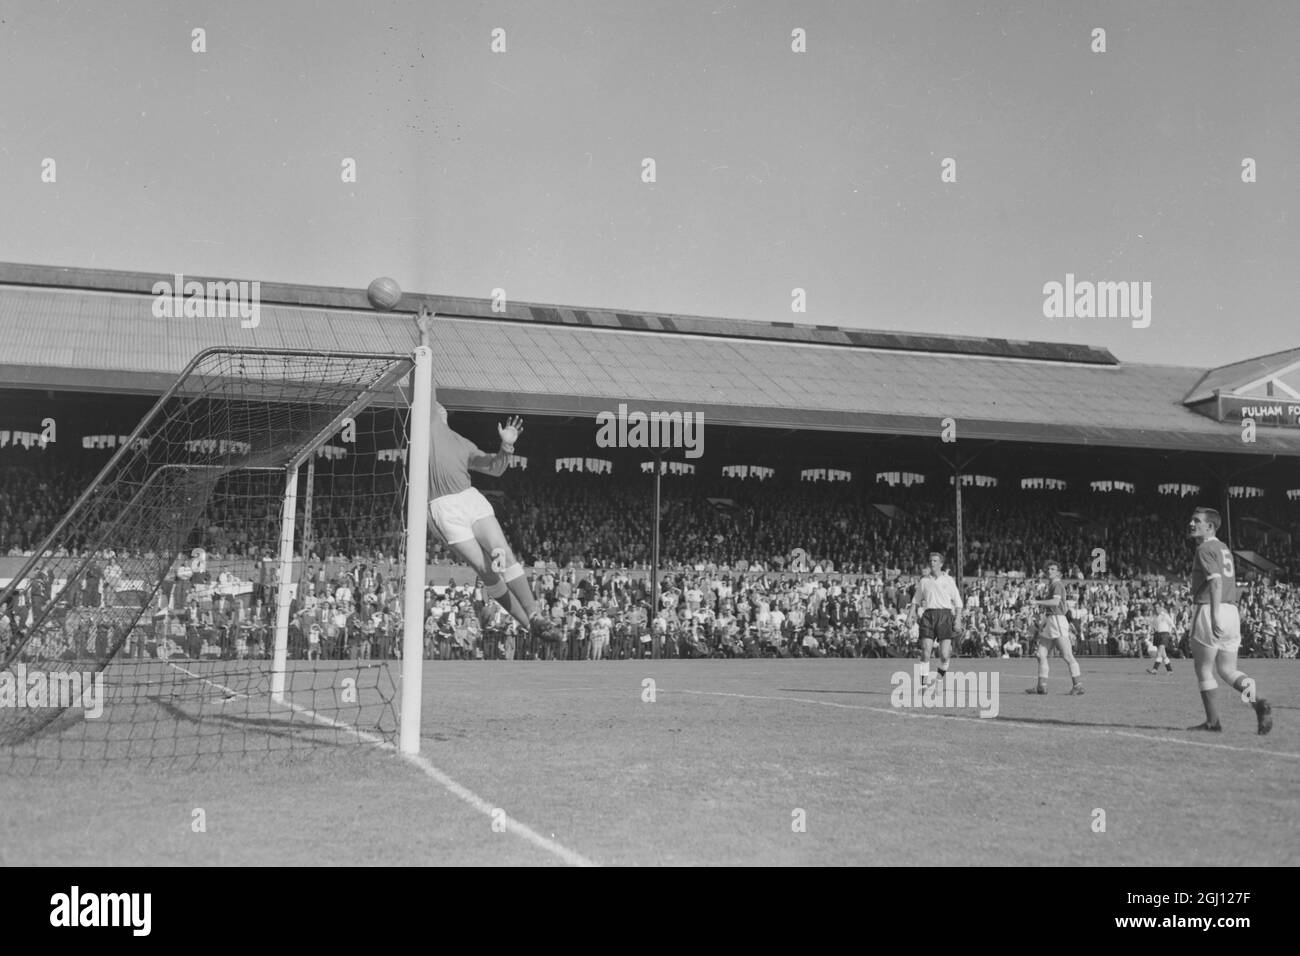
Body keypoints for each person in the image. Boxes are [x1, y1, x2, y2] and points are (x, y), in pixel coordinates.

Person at [418, 323, 563, 647]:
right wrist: (424, 336)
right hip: (443, 508)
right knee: (487, 571)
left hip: (468, 500)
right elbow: (425, 376)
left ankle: (535, 615)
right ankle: (529, 625)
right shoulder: (425, 420)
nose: (433, 405)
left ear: (443, 414)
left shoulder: (459, 440)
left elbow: (495, 469)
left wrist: (506, 447)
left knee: (501, 555)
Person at [1184, 508, 1271, 734]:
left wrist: (1213, 614)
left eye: (1197, 521)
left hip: (1209, 608)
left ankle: (1213, 722)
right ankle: (1258, 702)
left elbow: (1215, 583)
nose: (1191, 524)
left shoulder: (1204, 548)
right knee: (1228, 670)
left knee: (1204, 669)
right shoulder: (1224, 548)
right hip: (1232, 611)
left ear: (1210, 526)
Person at [906, 551, 963, 689]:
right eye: (931, 561)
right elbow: (916, 600)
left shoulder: (949, 580)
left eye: (935, 561)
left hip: (945, 616)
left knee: (944, 655)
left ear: (941, 564)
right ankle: (923, 686)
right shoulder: (924, 581)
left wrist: (958, 619)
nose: (932, 563)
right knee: (926, 651)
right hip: (928, 615)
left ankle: (938, 680)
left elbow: (958, 603)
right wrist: (910, 615)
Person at [1026, 561, 1084, 695]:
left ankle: (1078, 685)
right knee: (1040, 655)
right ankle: (1041, 686)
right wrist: (1043, 623)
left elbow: (1055, 603)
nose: (1049, 571)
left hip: (1057, 620)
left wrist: (1037, 602)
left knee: (1067, 655)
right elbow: (1051, 607)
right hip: (1052, 620)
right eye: (1048, 569)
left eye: (1053, 569)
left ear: (1059, 573)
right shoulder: (1052, 585)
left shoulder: (1057, 584)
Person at [1147, 602, 1174, 675]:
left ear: (1160, 607)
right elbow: (1152, 627)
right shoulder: (1154, 617)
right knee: (1163, 654)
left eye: (1157, 607)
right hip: (1157, 634)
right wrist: (1150, 633)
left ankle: (1154, 669)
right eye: (1155, 607)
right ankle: (1170, 670)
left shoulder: (1165, 615)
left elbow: (1172, 624)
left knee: (1159, 653)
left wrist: (1171, 633)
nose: (1156, 609)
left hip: (1164, 634)